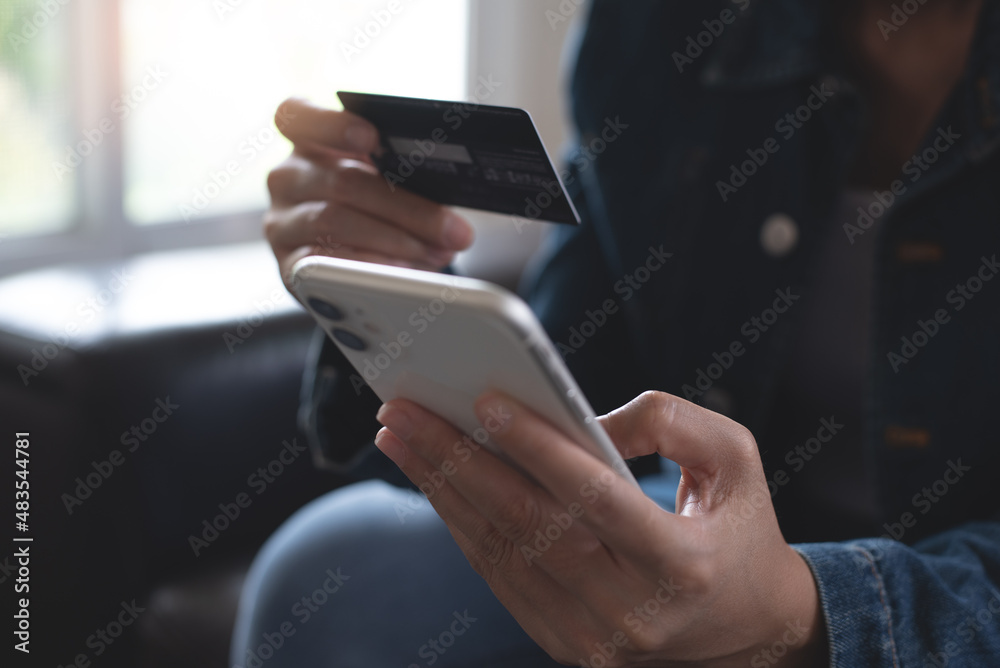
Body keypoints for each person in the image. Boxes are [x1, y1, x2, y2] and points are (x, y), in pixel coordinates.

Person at [232, 0, 1000, 665]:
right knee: (333, 574)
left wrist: (802, 615)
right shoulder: (662, 23)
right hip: (700, 543)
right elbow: (580, 392)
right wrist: (386, 293)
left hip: (927, 603)